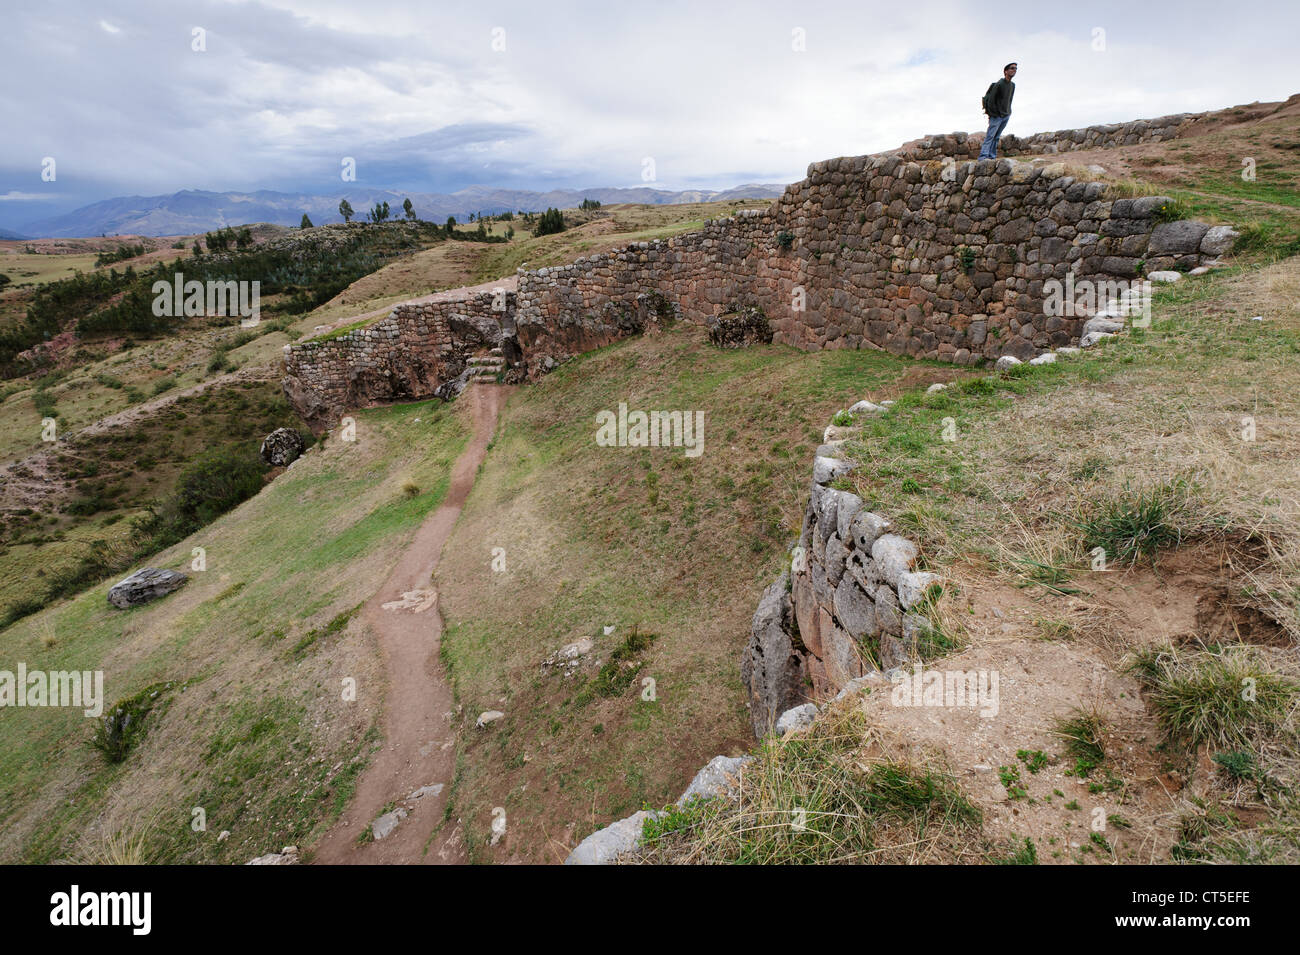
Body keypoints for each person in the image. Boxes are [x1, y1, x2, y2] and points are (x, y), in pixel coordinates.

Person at [979, 63, 1017, 159]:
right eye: (1012, 68)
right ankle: (983, 157)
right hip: (996, 116)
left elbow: (1010, 99)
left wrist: (1008, 111)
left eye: (1016, 69)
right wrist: (995, 114)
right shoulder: (999, 84)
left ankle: (992, 156)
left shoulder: (1012, 85)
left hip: (1006, 115)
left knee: (996, 137)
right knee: (990, 136)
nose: (1014, 70)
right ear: (1006, 71)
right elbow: (991, 100)